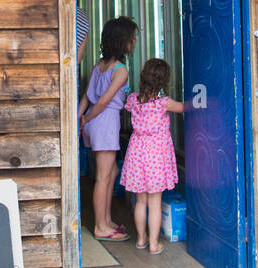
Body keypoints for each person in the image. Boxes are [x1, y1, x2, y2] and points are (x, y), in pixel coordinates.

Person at [78, 16, 137, 241]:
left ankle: (107, 219)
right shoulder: (121, 70)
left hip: (94, 124)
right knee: (103, 176)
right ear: (124, 41)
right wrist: (85, 119)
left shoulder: (99, 65)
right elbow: (102, 102)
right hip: (104, 122)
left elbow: (87, 97)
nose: (134, 42)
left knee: (111, 171)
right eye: (132, 38)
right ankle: (101, 226)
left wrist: (81, 119)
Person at [119, 58, 182, 254]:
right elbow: (185, 107)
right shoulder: (164, 103)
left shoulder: (133, 100)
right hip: (156, 154)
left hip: (137, 152)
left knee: (141, 201)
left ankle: (140, 239)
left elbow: (125, 104)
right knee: (155, 202)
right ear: (164, 81)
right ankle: (154, 244)